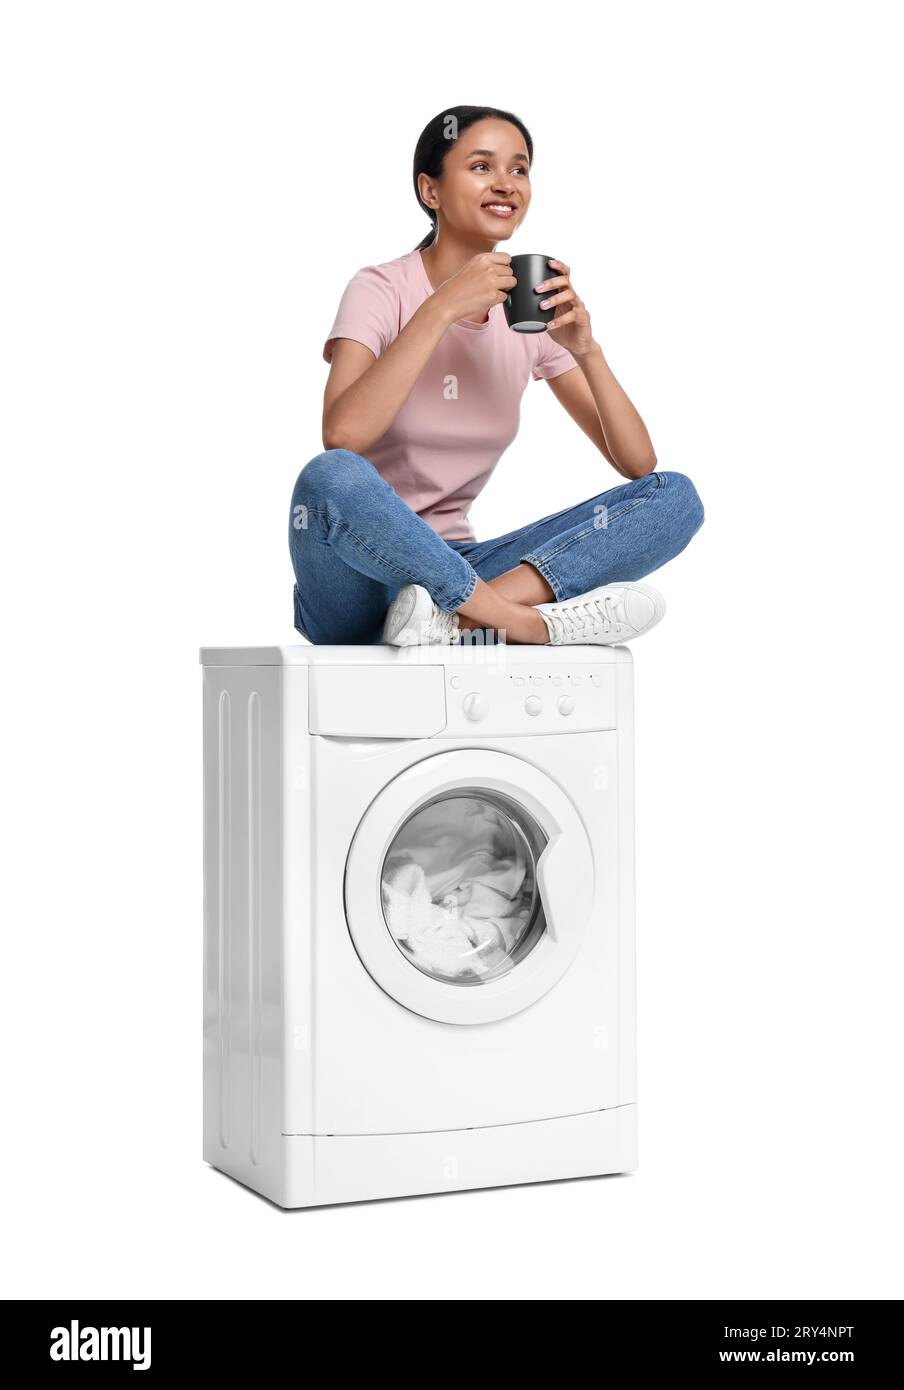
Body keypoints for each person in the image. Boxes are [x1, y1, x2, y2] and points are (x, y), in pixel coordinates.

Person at [289, 105, 704, 646]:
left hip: (457, 568)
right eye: (482, 166)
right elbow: (342, 435)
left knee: (675, 497)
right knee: (331, 476)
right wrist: (439, 310)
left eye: (520, 168)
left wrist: (586, 349)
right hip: (354, 579)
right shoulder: (381, 288)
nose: (506, 183)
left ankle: (458, 620)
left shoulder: (525, 314)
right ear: (430, 191)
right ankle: (516, 621)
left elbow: (637, 463)